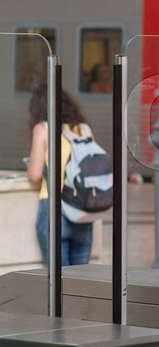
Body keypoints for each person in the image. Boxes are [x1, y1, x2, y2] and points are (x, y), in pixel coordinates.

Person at [26, 84, 95, 266]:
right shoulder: (83, 129)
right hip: (82, 211)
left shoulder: (43, 129)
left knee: (58, 284)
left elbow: (34, 174)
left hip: (54, 208)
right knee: (81, 280)